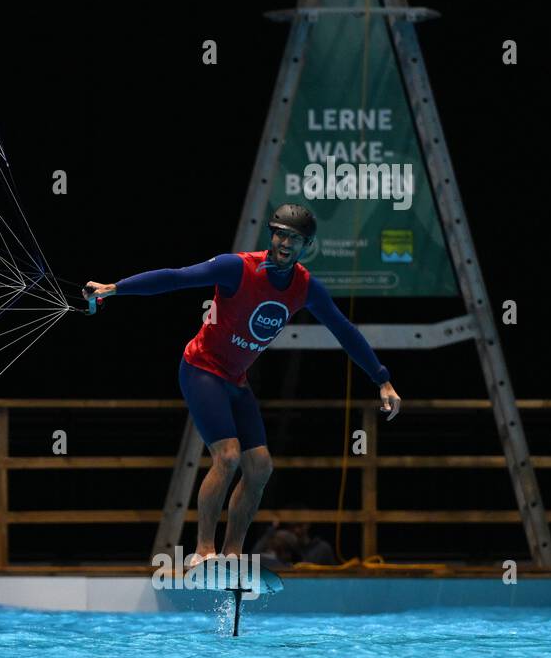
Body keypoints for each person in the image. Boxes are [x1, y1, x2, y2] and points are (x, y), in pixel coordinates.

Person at [82, 204, 401, 567]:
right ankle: (203, 550)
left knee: (261, 467)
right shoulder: (237, 267)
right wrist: (115, 289)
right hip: (201, 369)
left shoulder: (306, 287)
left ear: (307, 245)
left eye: (294, 238)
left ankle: (232, 552)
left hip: (235, 380)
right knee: (228, 456)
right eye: (279, 233)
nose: (284, 242)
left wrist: (382, 379)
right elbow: (176, 277)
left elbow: (345, 331)